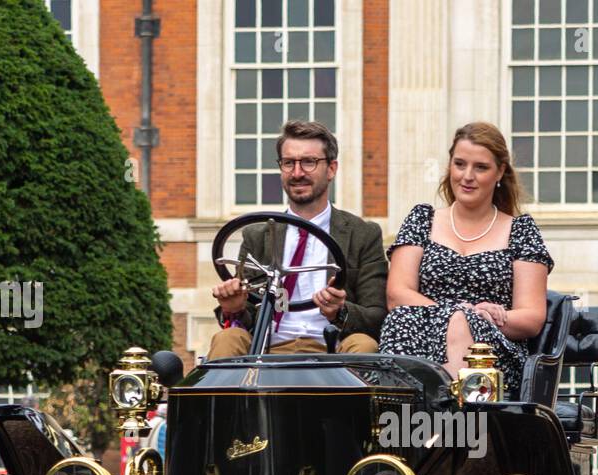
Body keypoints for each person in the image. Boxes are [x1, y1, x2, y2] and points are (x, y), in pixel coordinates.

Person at [380, 121, 551, 394]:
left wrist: (491, 317)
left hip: (490, 349)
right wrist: (459, 312)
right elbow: (397, 294)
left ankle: (453, 421)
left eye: (480, 167)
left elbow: (531, 318)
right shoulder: (422, 218)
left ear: (500, 172)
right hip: (418, 334)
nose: (467, 176)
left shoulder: (521, 230)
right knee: (405, 319)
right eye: (460, 164)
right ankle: (406, 419)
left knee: (461, 323)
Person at [208, 120, 387, 357]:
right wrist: (234, 309)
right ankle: (220, 395)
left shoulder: (362, 234)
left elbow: (378, 317)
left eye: (309, 162)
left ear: (331, 169)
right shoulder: (257, 236)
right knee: (227, 337)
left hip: (332, 348)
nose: (297, 173)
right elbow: (248, 313)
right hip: (268, 347)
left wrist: (340, 311)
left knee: (364, 345)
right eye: (289, 163)